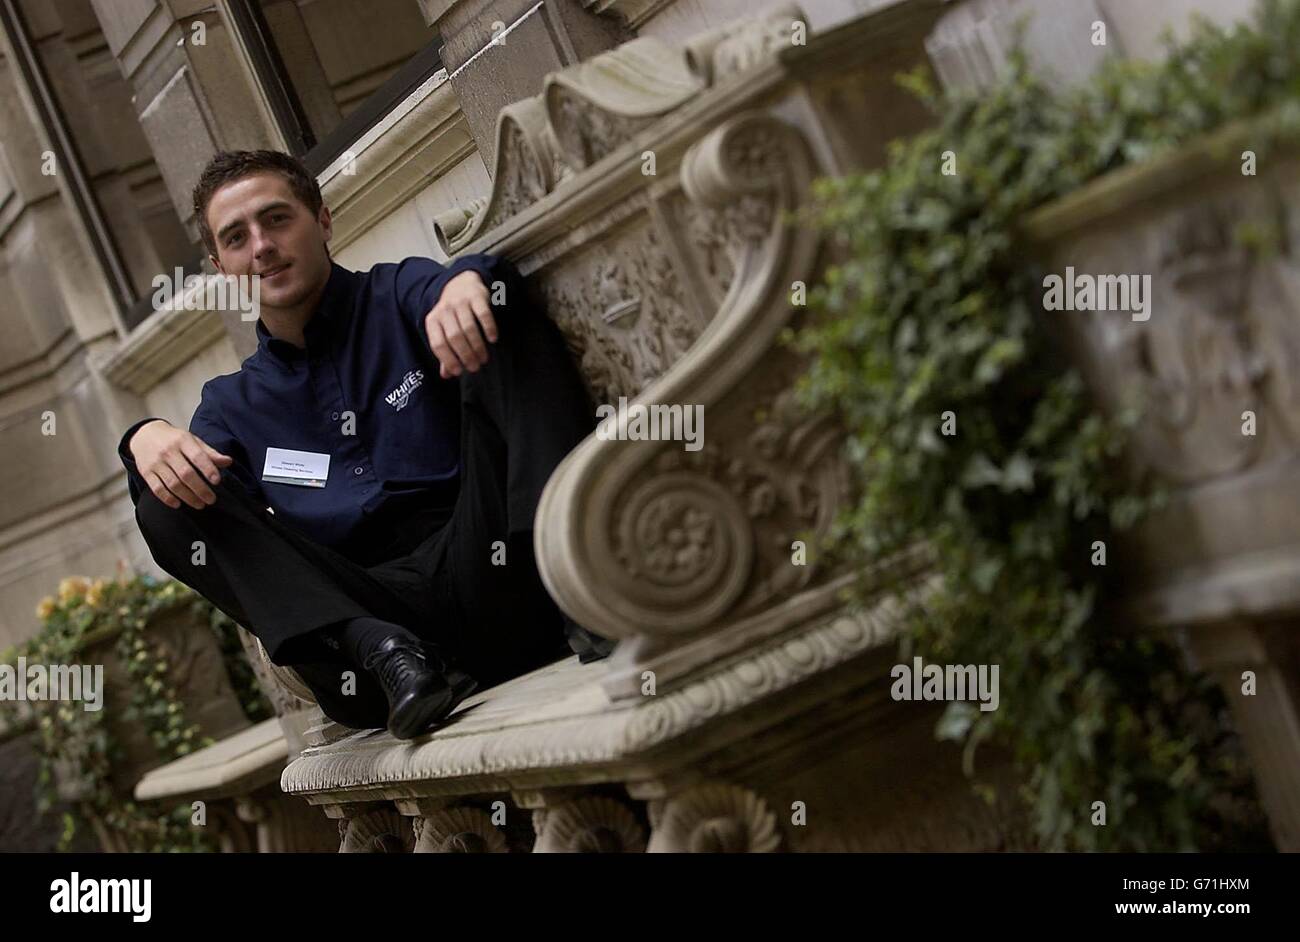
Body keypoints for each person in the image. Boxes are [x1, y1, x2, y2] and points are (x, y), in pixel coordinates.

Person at [118, 150, 614, 741]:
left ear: (322, 221)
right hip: (374, 632)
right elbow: (194, 502)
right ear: (223, 267)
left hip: (491, 562)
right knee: (165, 500)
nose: (262, 247)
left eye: (277, 219)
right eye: (236, 237)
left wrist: (467, 283)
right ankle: (380, 647)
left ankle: (573, 572)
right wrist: (140, 438)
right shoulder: (232, 404)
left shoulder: (395, 292)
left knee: (493, 305)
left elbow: (473, 283)